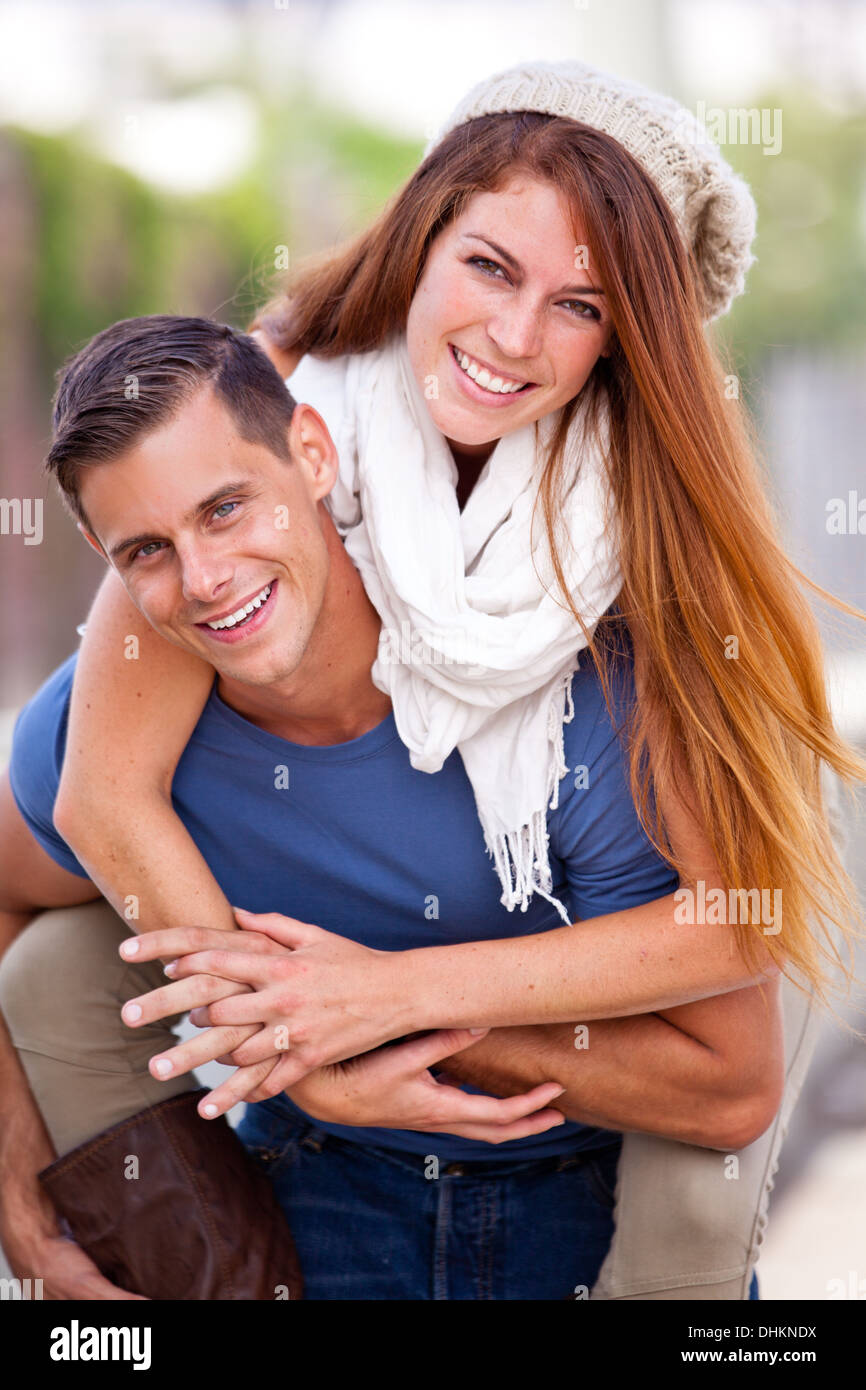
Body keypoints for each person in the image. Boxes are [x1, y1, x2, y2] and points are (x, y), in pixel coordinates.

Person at [6, 57, 864, 1297]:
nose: (514, 339)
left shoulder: (651, 571)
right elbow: (98, 792)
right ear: (421, 242)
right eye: (488, 266)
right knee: (58, 962)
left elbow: (748, 937)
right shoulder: (258, 453)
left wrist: (378, 998)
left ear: (632, 342)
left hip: (612, 1130)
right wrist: (46, 1210)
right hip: (335, 1162)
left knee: (697, 1189)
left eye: (584, 304)